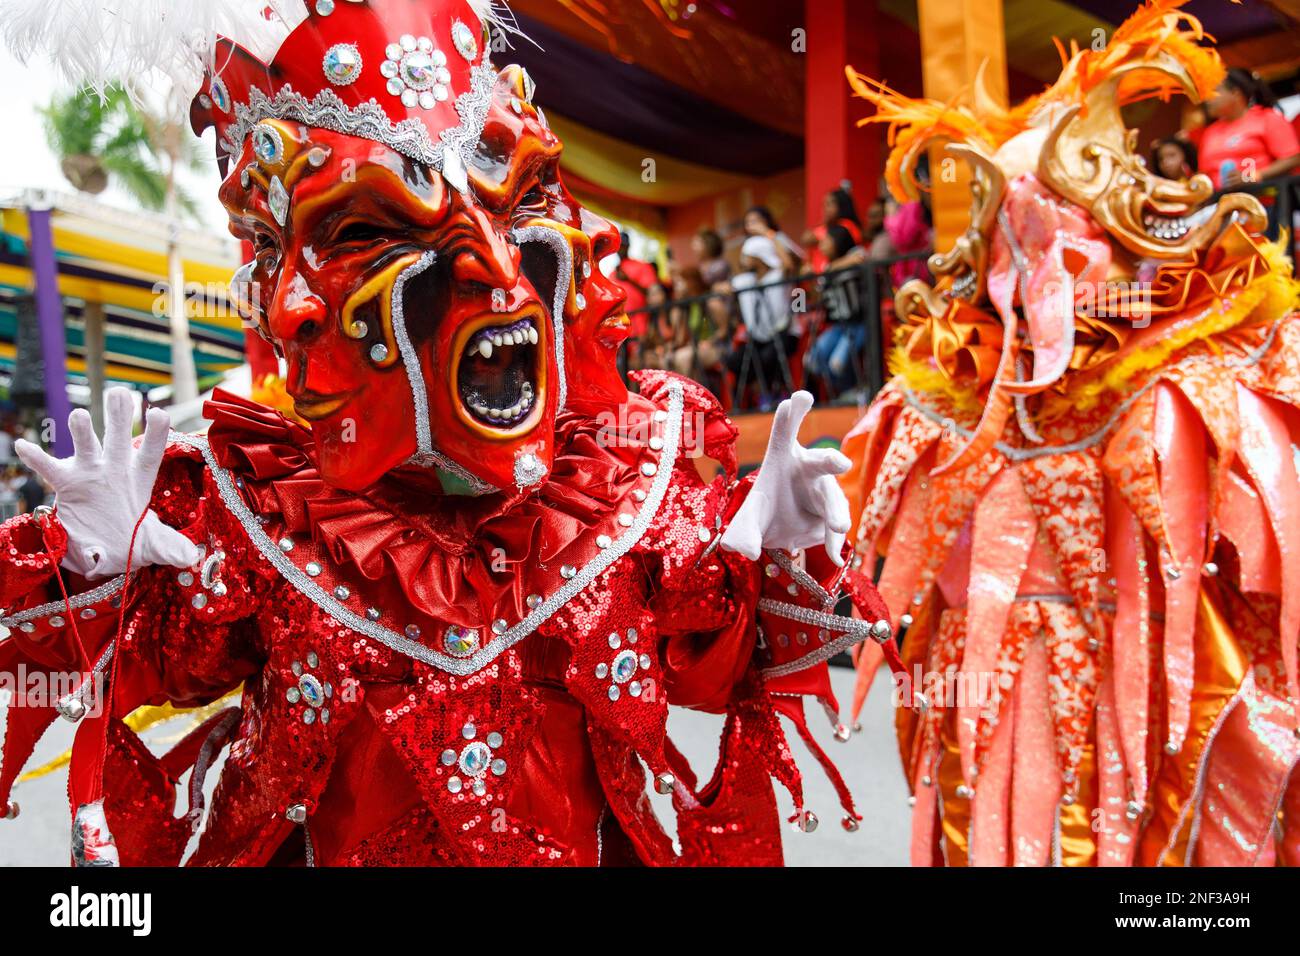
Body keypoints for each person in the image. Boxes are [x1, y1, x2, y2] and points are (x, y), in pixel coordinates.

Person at [0, 0, 889, 869]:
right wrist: (98, 572)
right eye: (381, 228)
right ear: (296, 298)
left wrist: (782, 556)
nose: (498, 266)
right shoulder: (257, 518)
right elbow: (169, 664)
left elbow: (713, 668)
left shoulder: (624, 496)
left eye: (519, 202)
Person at [840, 0, 1300, 867]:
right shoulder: (934, 408)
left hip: (1166, 695)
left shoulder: (1197, 385)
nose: (1039, 264)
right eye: (1013, 236)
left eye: (1065, 229)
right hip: (987, 701)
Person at [726, 235, 800, 409]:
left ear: (759, 257)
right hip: (758, 338)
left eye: (748, 256)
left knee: (768, 356)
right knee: (735, 360)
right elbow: (728, 286)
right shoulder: (746, 280)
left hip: (785, 333)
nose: (743, 260)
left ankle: (777, 394)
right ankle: (758, 393)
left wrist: (770, 234)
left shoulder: (779, 276)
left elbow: (790, 265)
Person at [1199, 68, 1300, 190]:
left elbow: (1293, 159)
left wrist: (1251, 176)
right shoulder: (1210, 132)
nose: (1207, 98)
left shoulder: (1267, 119)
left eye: (1214, 91)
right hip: (1221, 204)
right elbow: (1204, 174)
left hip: (1265, 203)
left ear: (1235, 93)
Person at [805, 224, 868, 397]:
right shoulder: (826, 268)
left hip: (859, 323)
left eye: (826, 241)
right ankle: (844, 392)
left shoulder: (855, 253)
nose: (822, 246)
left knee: (837, 362)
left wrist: (826, 270)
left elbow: (860, 258)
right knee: (813, 360)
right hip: (838, 326)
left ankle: (855, 391)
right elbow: (817, 297)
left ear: (838, 241)